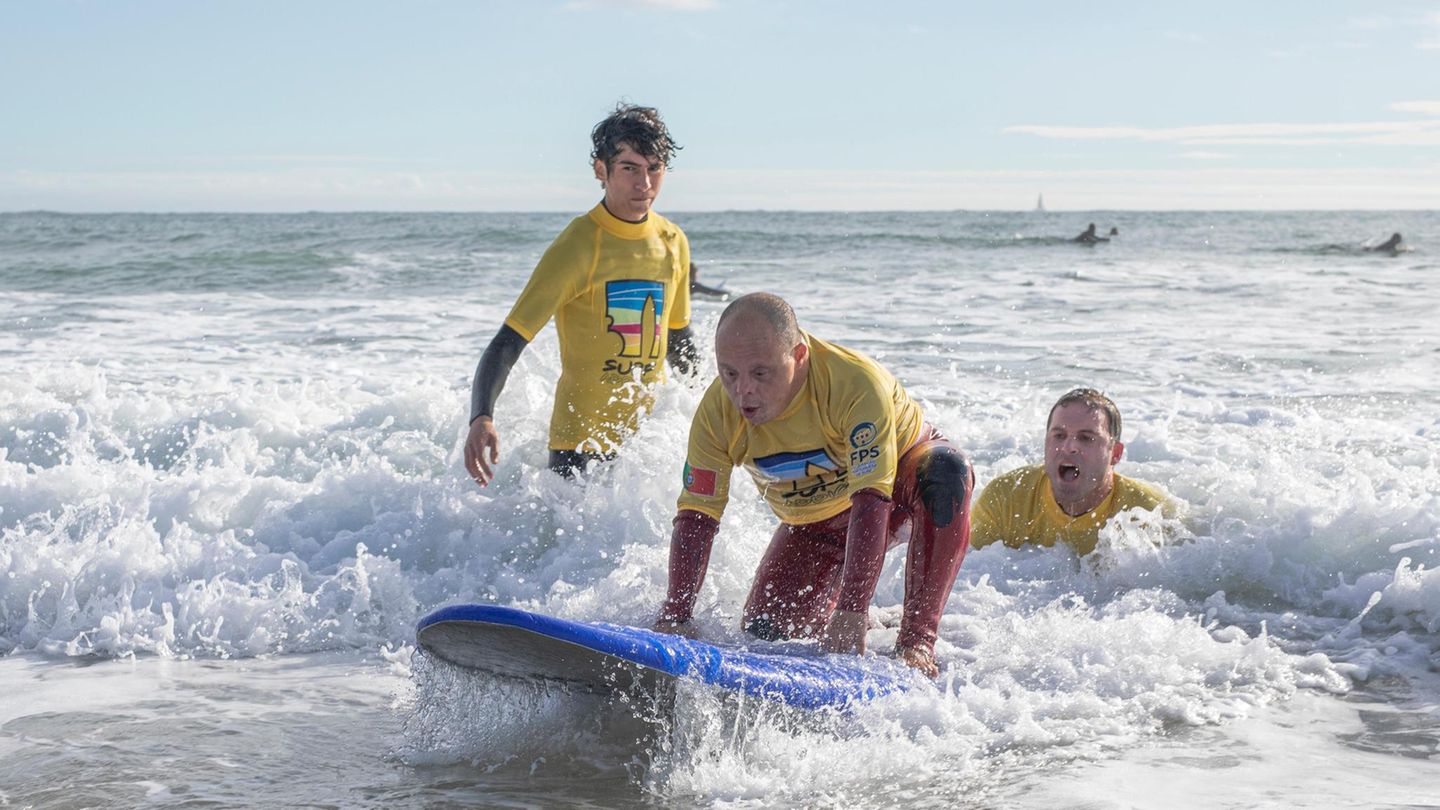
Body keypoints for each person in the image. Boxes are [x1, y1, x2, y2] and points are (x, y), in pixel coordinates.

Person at [652, 293, 974, 678]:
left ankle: (916, 641)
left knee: (946, 470)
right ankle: (874, 621)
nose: (742, 391)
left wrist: (851, 611)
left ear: (799, 355)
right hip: (819, 522)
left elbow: (872, 500)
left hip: (897, 491)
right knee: (767, 631)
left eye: (761, 373)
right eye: (730, 373)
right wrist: (676, 615)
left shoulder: (852, 383)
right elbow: (696, 517)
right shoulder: (715, 414)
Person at [464, 104, 698, 485]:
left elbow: (677, 338)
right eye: (629, 168)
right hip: (578, 448)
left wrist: (715, 408)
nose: (644, 183)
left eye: (654, 168)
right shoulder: (577, 246)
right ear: (600, 170)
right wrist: (482, 417)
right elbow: (509, 340)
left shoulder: (673, 241)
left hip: (651, 447)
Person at [971, 388, 1177, 557]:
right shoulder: (1004, 499)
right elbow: (968, 577)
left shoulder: (1150, 513)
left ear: (1115, 454)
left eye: (1086, 438)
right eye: (1059, 435)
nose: (1069, 447)